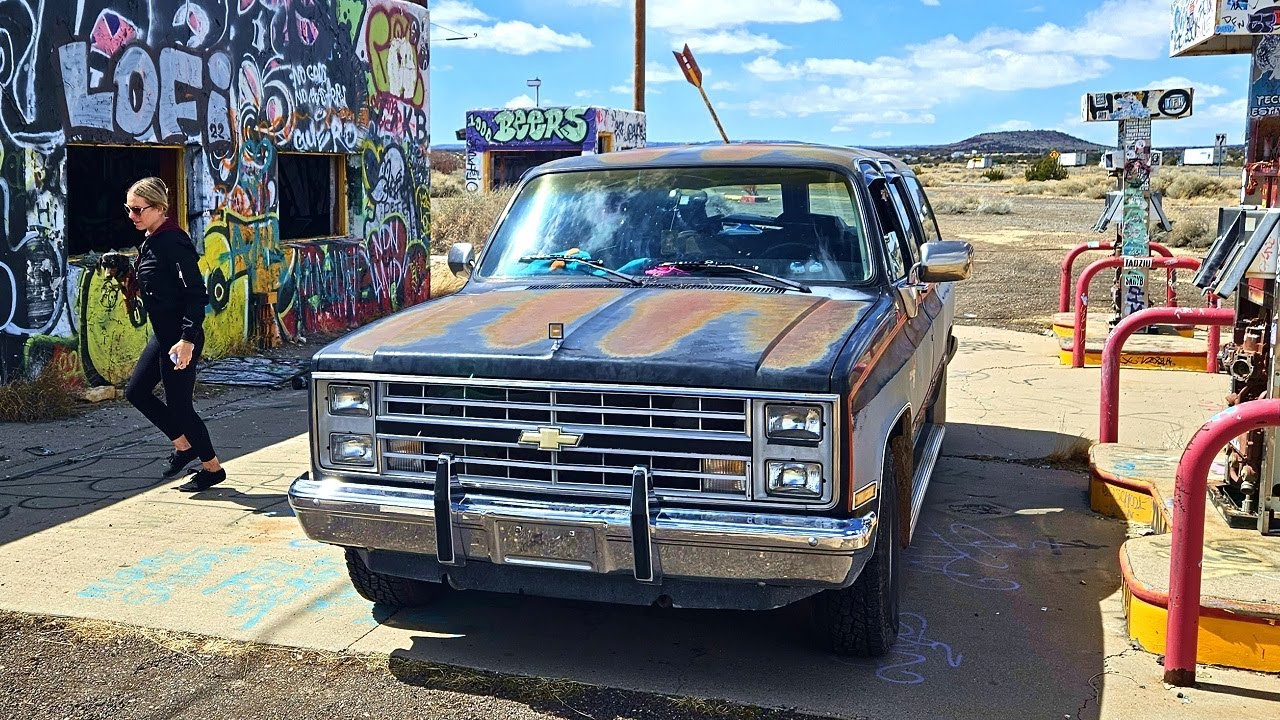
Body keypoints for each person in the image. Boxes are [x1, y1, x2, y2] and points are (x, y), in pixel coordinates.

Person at [118, 177, 227, 492]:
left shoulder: (172, 241)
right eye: (129, 209)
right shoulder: (152, 238)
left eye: (138, 210)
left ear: (158, 208)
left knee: (180, 406)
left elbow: (196, 295)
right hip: (164, 337)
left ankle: (212, 468)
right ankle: (183, 446)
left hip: (181, 338)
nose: (132, 216)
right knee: (136, 391)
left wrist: (188, 339)